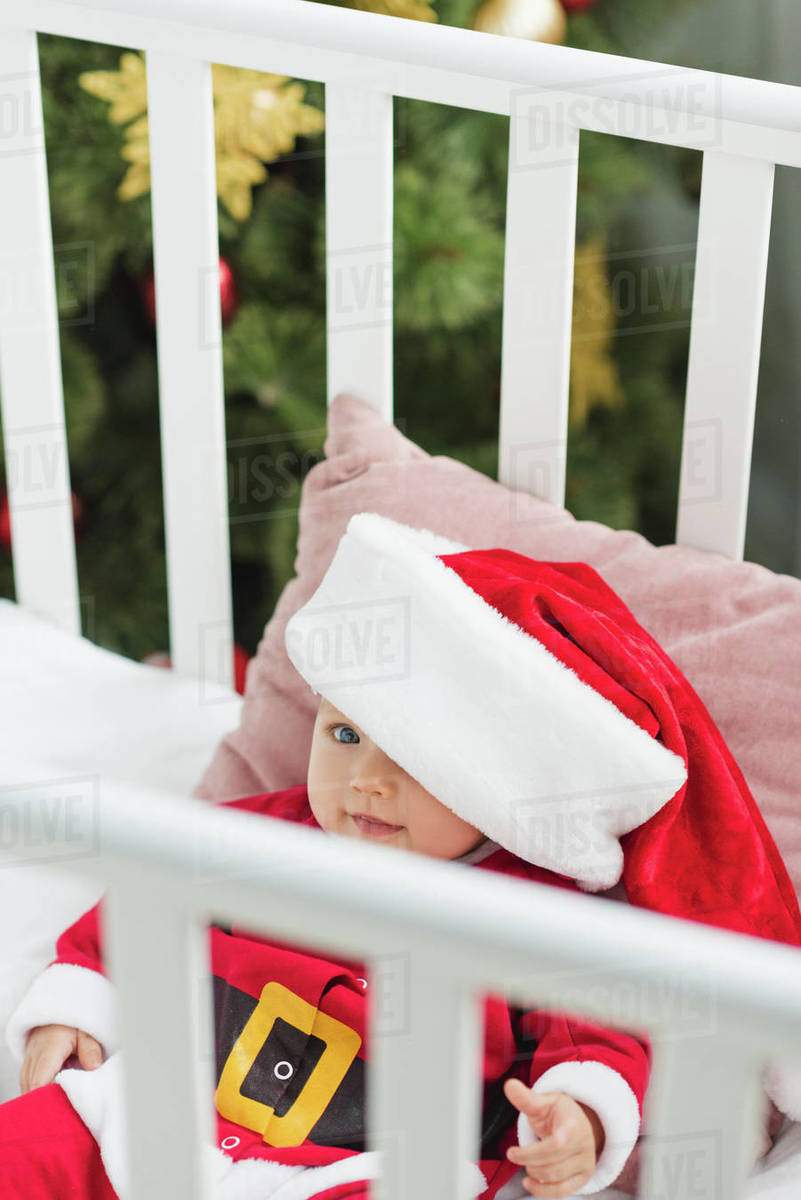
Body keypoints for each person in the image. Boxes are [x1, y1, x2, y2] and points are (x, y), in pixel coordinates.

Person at [4, 512, 798, 1200]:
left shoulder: (536, 910)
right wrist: (78, 1009)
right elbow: (146, 895)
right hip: (158, 1105)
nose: (365, 782)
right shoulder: (262, 833)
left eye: (418, 763)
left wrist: (578, 1114)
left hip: (371, 1166)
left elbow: (598, 1032)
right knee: (30, 1145)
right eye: (344, 735)